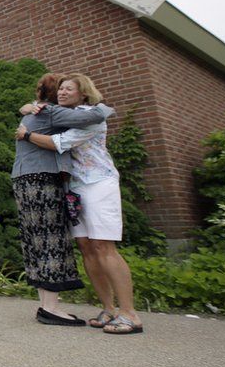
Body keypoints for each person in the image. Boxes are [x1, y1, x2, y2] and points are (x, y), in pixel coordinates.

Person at [17, 74, 143, 335]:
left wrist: (27, 134)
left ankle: (129, 313)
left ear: (83, 93)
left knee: (104, 246)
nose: (62, 92)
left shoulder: (89, 115)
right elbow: (40, 111)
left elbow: (59, 143)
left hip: (98, 183)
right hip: (75, 187)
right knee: (86, 247)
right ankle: (108, 308)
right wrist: (29, 107)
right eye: (60, 88)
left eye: (69, 89)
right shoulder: (62, 114)